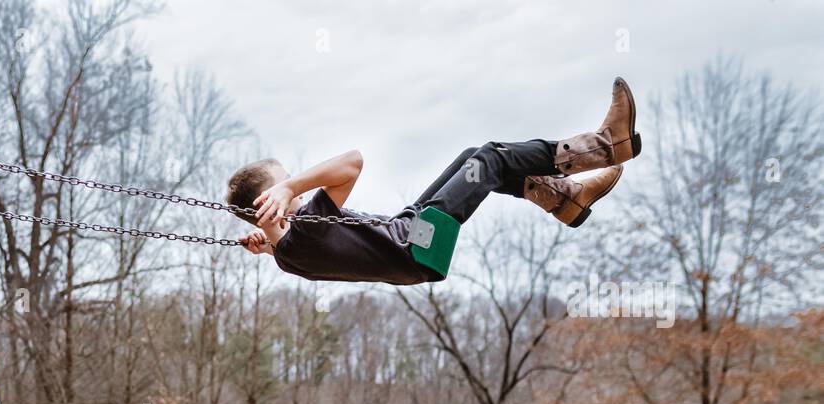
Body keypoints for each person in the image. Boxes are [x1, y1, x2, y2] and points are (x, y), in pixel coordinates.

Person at [227, 77, 641, 284]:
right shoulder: (306, 230)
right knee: (491, 158)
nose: (294, 186)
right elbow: (352, 163)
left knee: (471, 160)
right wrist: (289, 191)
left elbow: (297, 252)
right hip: (417, 246)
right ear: (270, 199)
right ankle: (605, 146)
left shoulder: (289, 253)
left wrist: (269, 241)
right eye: (285, 183)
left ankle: (565, 199)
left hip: (410, 237)